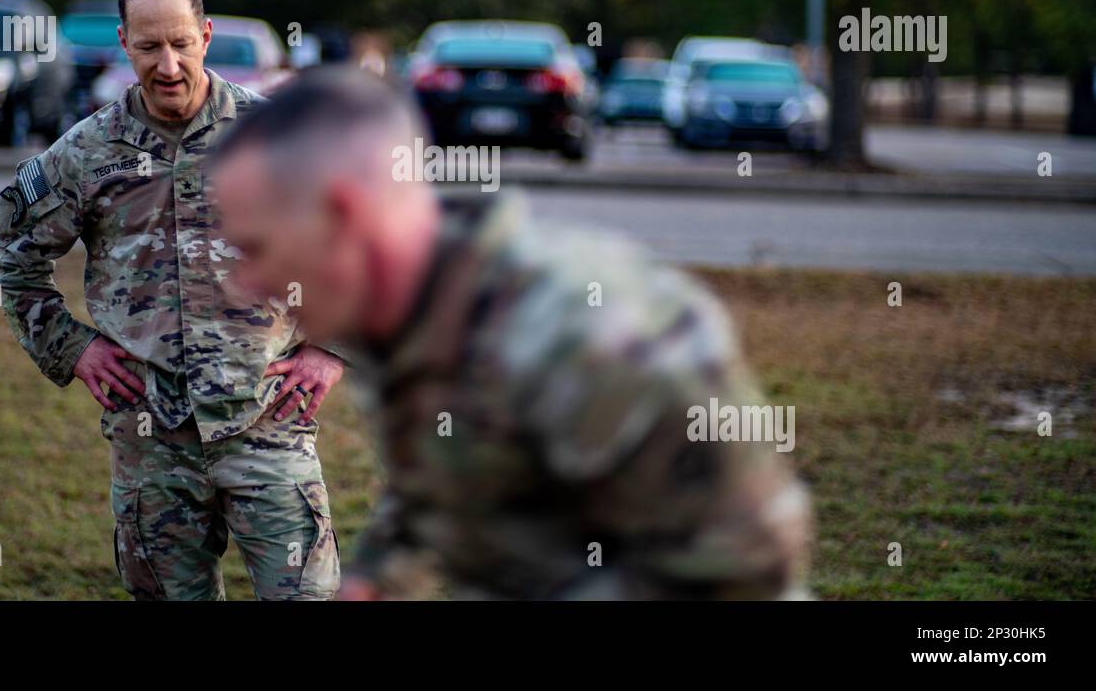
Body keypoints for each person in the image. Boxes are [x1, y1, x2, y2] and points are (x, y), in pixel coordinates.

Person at [210, 66, 812, 599]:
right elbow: (450, 472)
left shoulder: (584, 331)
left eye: (255, 249)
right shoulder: (410, 320)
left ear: (343, 217)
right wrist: (378, 578)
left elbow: (744, 569)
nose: (242, 284)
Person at [0, 0, 344, 600]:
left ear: (205, 35)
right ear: (123, 42)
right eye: (149, 47)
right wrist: (73, 346)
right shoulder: (86, 153)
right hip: (150, 440)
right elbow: (12, 255)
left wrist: (330, 349)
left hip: (267, 427)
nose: (168, 65)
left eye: (181, 43)